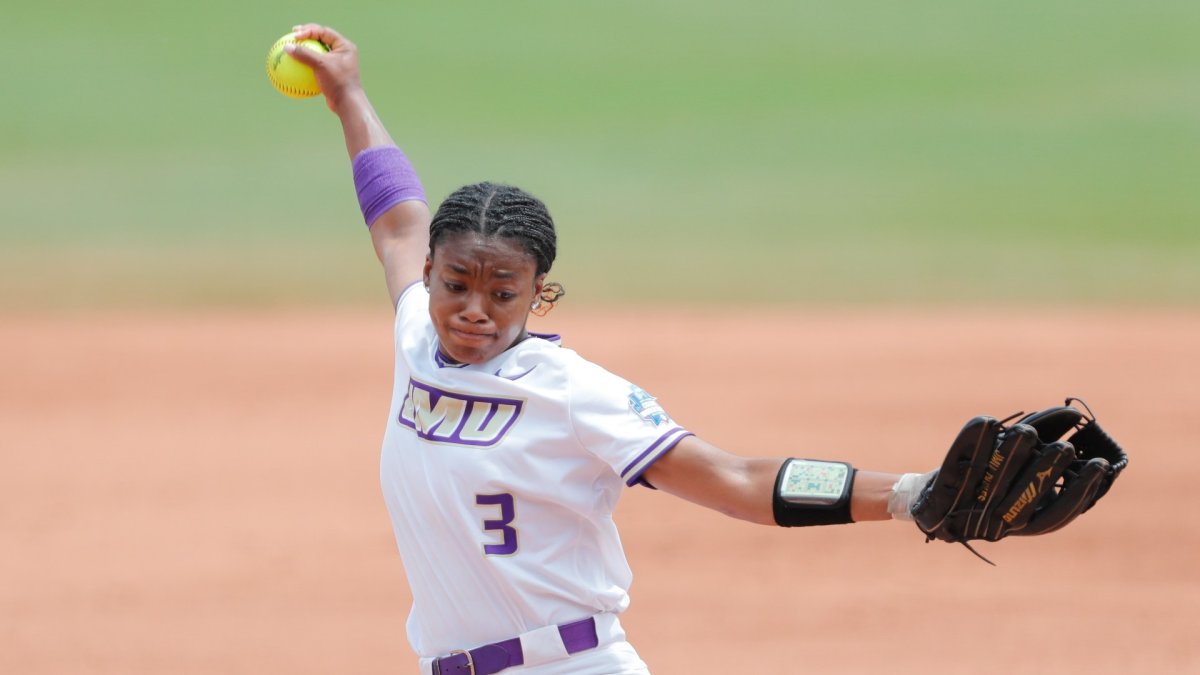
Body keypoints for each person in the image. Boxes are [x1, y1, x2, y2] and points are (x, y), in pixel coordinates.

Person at [285, 24, 933, 675]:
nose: (474, 309)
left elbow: (736, 480)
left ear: (538, 292)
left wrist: (908, 493)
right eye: (456, 285)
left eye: (503, 293)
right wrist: (349, 97)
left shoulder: (571, 390)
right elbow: (397, 217)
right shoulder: (415, 335)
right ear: (429, 273)